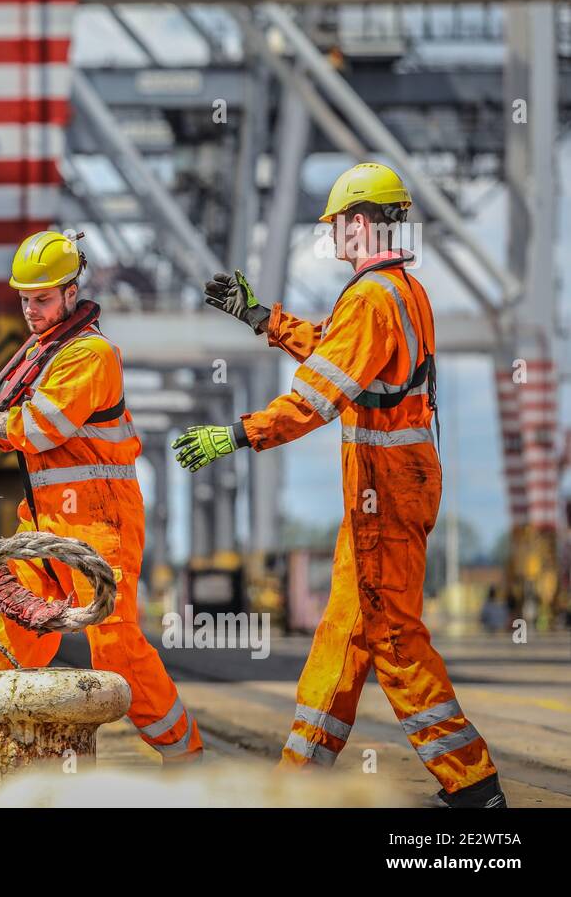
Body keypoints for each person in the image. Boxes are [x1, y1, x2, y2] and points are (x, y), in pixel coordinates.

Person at [175, 162, 506, 807]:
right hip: (388, 492)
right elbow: (336, 349)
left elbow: (317, 398)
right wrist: (262, 318)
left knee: (394, 642)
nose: (331, 238)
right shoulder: (401, 291)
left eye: (335, 227)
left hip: (385, 494)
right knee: (341, 639)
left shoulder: (372, 298)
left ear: (358, 224)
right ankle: (294, 789)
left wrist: (237, 435)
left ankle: (474, 791)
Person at [0, 229, 203, 765]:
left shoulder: (90, 355)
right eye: (25, 299)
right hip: (45, 525)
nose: (32, 310)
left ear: (71, 292)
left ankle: (185, 755)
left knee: (116, 649)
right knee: (18, 633)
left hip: (101, 523)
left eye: (43, 299)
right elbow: (0, 428)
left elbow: (33, 429)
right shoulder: (44, 354)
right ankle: (5, 765)